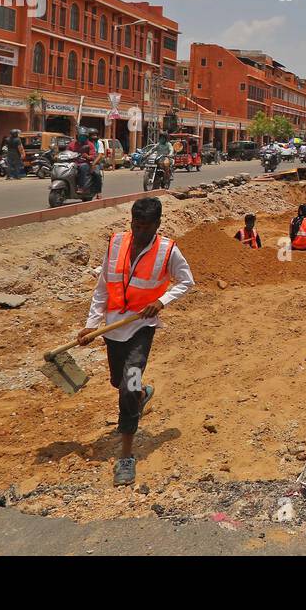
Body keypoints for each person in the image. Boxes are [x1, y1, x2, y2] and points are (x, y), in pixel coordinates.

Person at [78, 196, 194, 486]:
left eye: (146, 227)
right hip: (113, 327)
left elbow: (186, 280)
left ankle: (126, 457)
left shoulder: (168, 250)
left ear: (157, 225)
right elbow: (103, 286)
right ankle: (141, 394)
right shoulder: (116, 243)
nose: (139, 232)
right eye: (136, 225)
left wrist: (162, 300)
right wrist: (91, 326)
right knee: (120, 383)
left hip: (141, 327)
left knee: (127, 388)